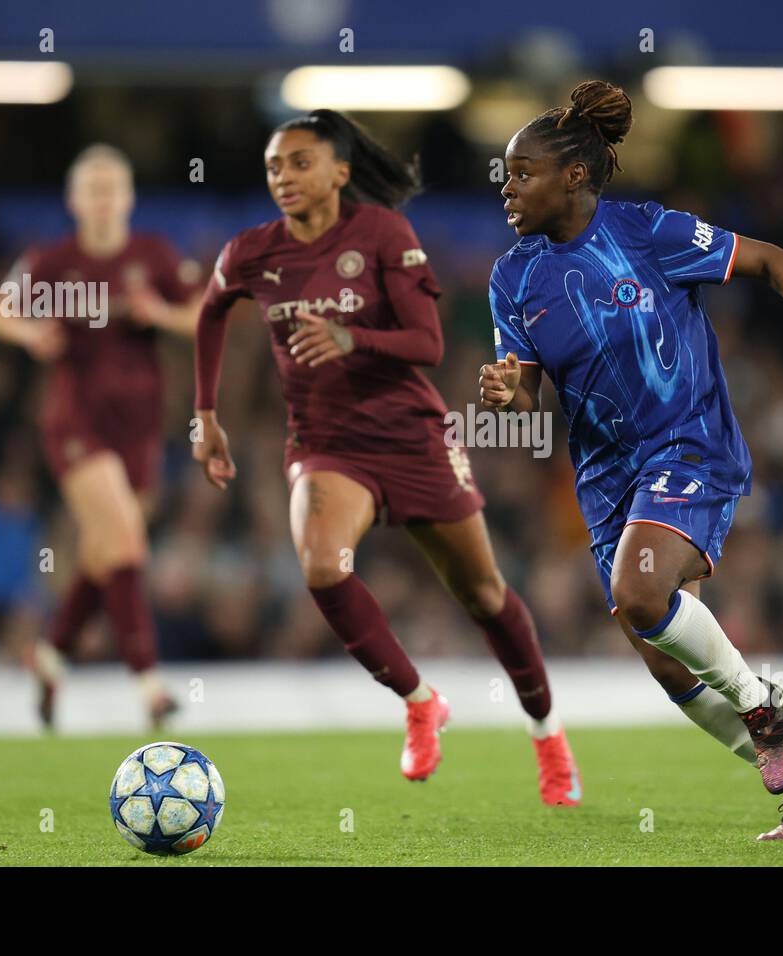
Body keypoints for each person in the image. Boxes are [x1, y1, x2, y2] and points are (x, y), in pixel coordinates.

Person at [481, 80, 783, 839]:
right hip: (605, 476)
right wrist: (510, 393)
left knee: (643, 597)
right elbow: (531, 401)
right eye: (505, 173)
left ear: (573, 175)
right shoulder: (512, 277)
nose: (506, 187)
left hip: (689, 443)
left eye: (521, 172)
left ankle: (762, 705)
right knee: (668, 662)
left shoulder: (649, 232)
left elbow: (772, 260)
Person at [192, 110, 580, 805]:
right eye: (275, 166)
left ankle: (548, 735)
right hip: (326, 444)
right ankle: (421, 700)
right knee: (320, 565)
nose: (284, 177)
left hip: (412, 436)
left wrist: (351, 339)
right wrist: (205, 415)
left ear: (340, 171)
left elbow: (428, 344)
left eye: (300, 163)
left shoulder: (381, 234)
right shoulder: (251, 252)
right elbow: (211, 311)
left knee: (485, 595)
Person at [0, 144, 202, 729]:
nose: (104, 200)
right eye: (94, 189)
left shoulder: (153, 255)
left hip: (140, 426)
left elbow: (201, 313)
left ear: (128, 197)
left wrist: (157, 312)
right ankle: (150, 683)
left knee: (105, 550)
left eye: (114, 188)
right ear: (74, 200)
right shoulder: (52, 260)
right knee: (128, 542)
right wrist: (30, 334)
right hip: (76, 420)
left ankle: (51, 655)